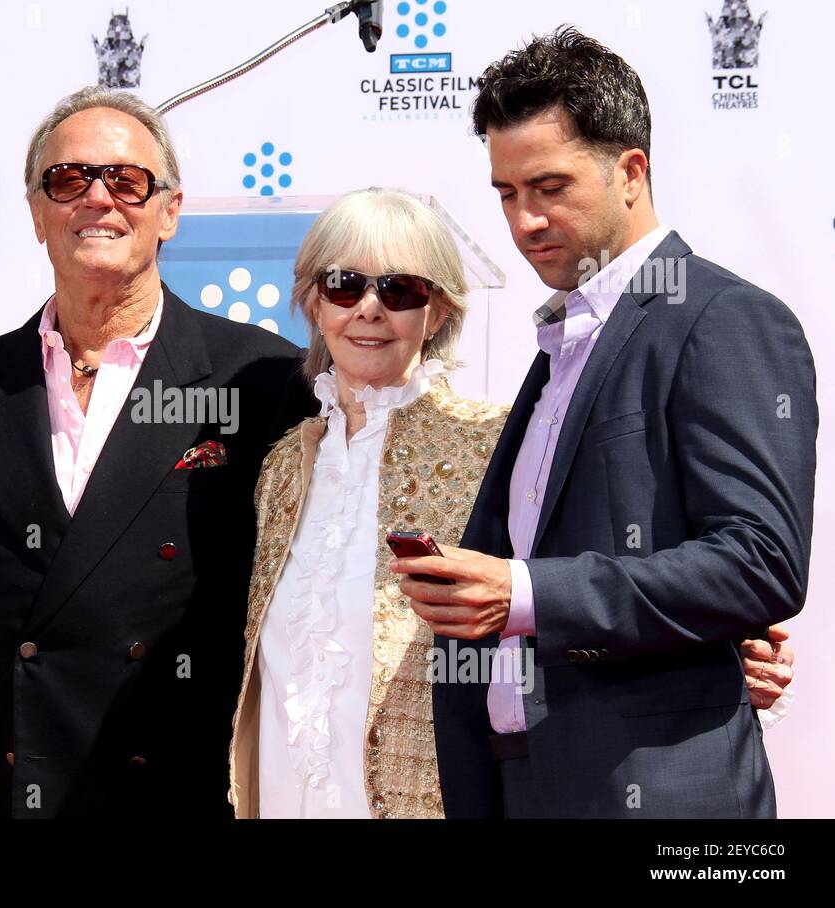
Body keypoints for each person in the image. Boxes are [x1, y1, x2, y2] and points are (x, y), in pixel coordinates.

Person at [228, 187, 794, 819]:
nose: (369, 310)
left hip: (447, 792)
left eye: (401, 290)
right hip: (283, 785)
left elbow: (594, 587)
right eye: (343, 285)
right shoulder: (281, 467)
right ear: (310, 300)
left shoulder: (501, 444)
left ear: (437, 313)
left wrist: (731, 652)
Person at [392, 28, 814, 818]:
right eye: (507, 194)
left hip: (657, 792)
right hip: (520, 779)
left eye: (550, 186)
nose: (525, 221)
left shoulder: (722, 319)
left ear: (631, 171)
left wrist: (524, 593)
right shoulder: (560, 344)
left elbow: (761, 561)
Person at [0, 87, 316, 818]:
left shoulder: (267, 381)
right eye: (67, 180)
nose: (97, 198)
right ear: (34, 213)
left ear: (169, 212)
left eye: (125, 180)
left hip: (182, 792)